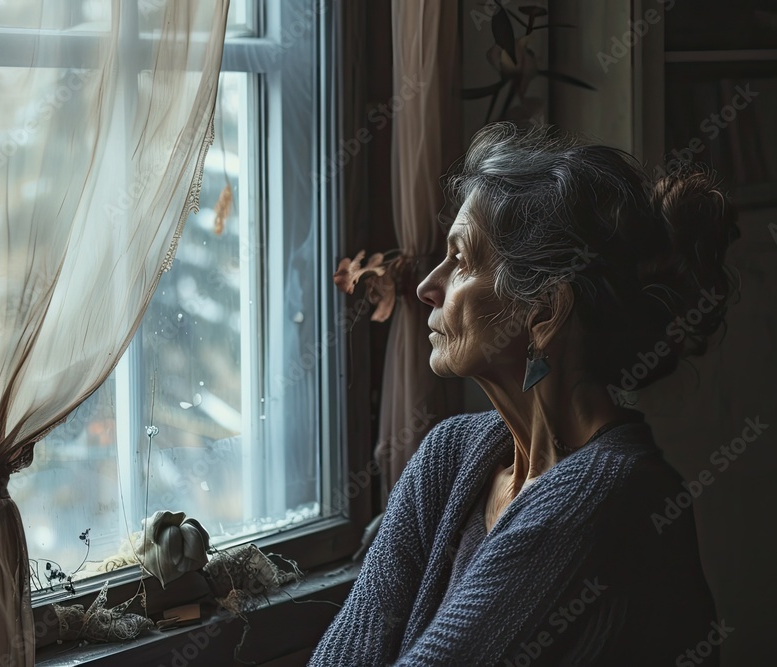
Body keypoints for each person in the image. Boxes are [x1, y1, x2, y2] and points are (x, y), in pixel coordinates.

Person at [309, 122, 740, 666]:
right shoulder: (450, 456)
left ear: (542, 311)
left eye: (461, 260)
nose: (426, 287)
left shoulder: (614, 497)